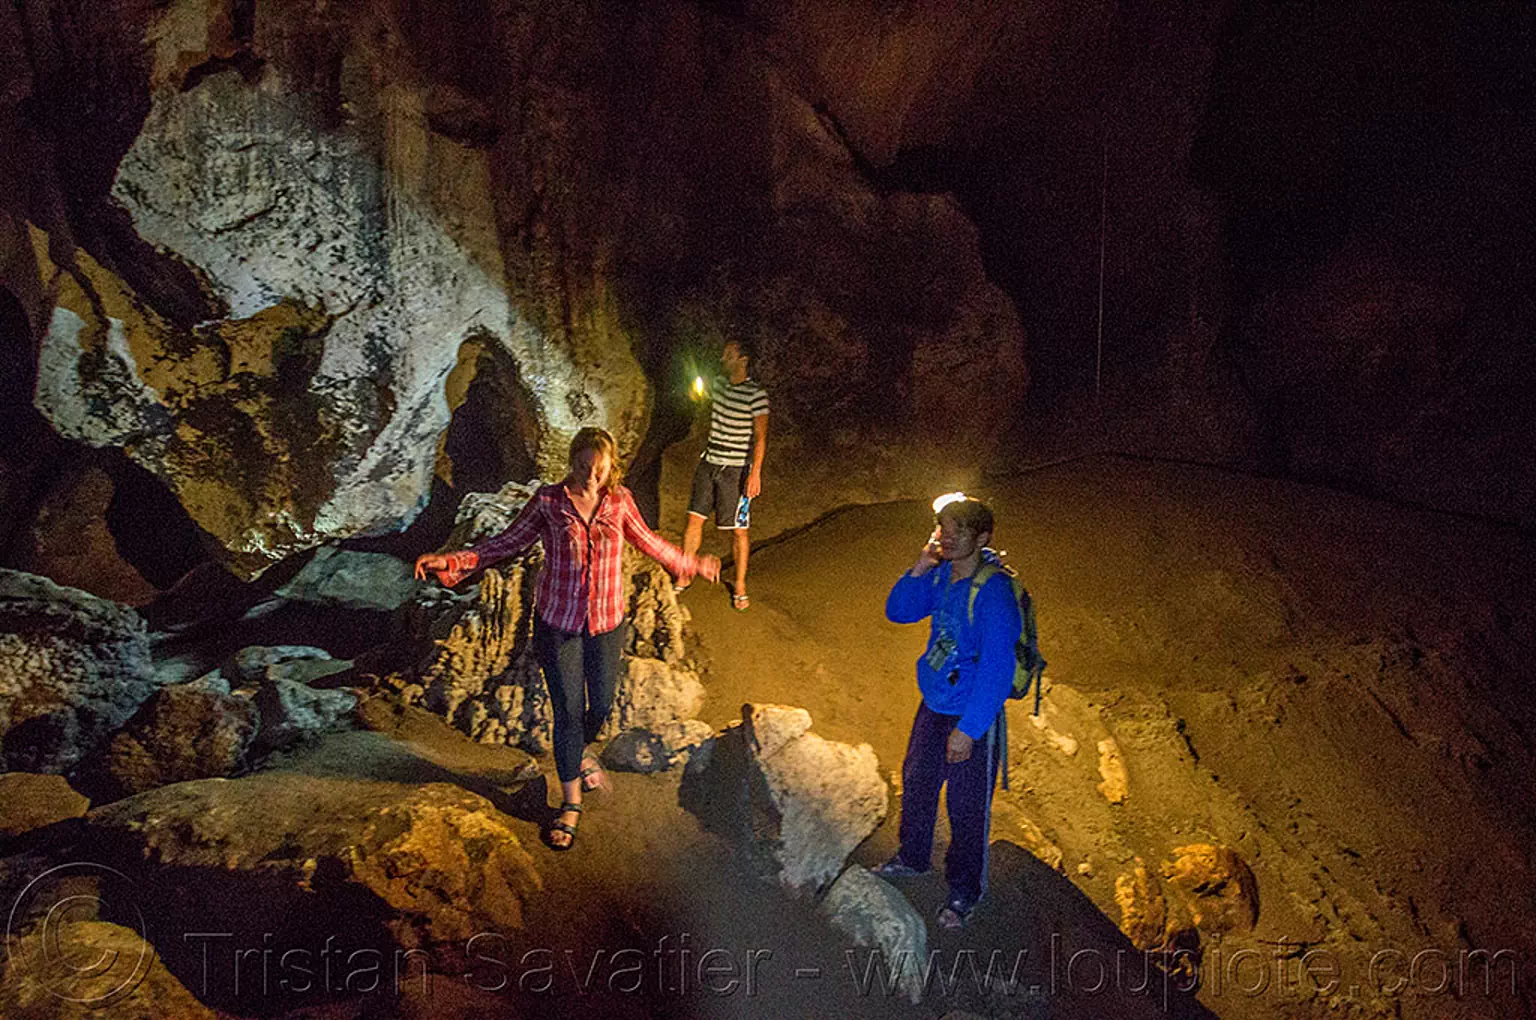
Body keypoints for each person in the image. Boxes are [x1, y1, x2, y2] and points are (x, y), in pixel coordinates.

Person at [415, 427, 721, 851]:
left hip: (607, 623)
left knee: (601, 705)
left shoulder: (620, 503)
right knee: (569, 712)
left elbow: (649, 542)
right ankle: (570, 802)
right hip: (558, 624)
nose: (591, 476)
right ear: (572, 462)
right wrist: (453, 560)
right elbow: (505, 543)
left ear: (611, 465)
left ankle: (578, 752)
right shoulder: (549, 502)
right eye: (583, 466)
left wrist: (689, 563)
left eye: (599, 468)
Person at [876, 496, 1022, 929]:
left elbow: (999, 668)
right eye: (943, 526)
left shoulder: (994, 592)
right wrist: (920, 566)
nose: (947, 535)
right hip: (936, 703)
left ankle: (964, 890)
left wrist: (969, 731)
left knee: (967, 807)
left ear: (982, 537)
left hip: (972, 717)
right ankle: (913, 857)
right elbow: (898, 611)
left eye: (958, 529)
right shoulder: (942, 576)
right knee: (918, 783)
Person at [679, 338, 769, 610]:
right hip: (709, 464)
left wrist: (755, 474)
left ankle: (740, 585)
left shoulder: (756, 394)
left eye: (729, 354)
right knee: (694, 520)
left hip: (736, 471)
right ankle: (684, 572)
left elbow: (761, 436)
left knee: (740, 531)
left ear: (743, 359)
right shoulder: (718, 385)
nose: (723, 358)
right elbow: (700, 399)